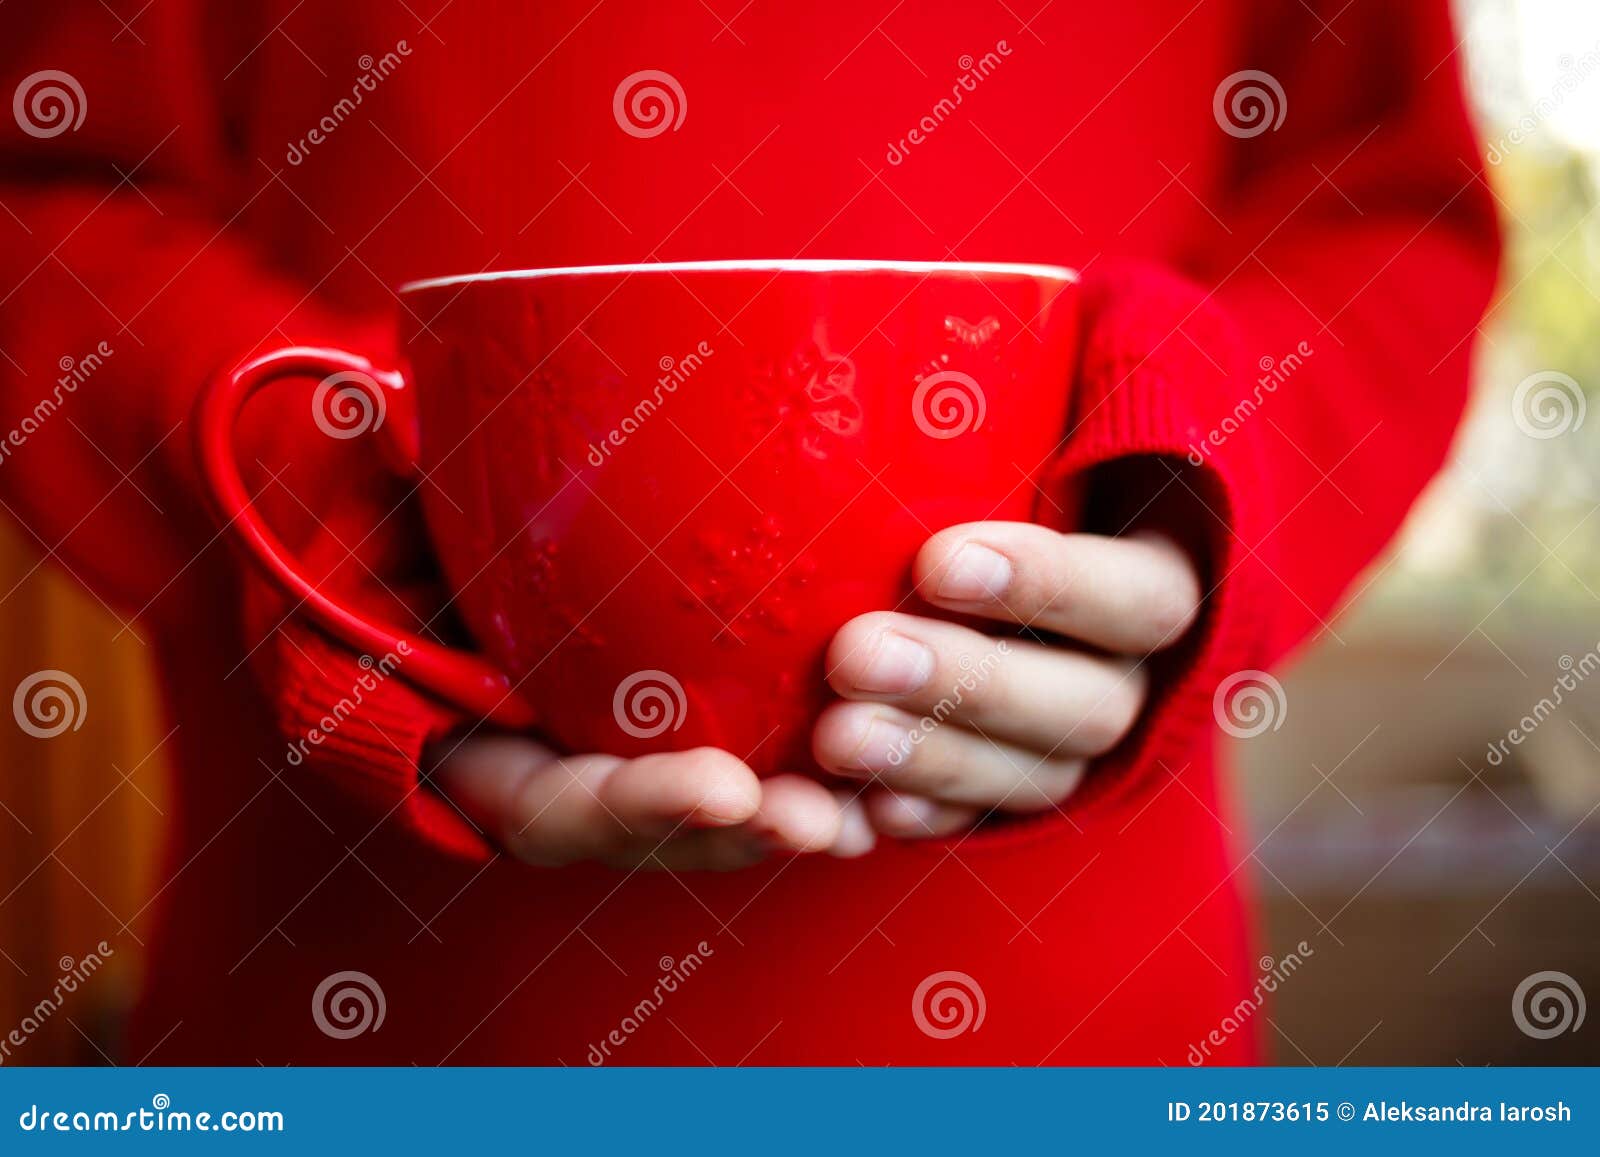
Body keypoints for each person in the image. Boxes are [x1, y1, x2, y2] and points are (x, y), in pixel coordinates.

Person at [0, 0, 1496, 1063]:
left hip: (1076, 1033)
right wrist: (335, 501)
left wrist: (1188, 464)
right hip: (366, 1021)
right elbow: (45, 204)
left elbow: (1387, 205)